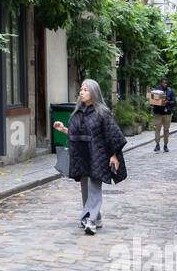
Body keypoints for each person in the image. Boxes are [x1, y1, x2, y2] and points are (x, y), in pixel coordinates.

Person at [53, 79, 125, 236]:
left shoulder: (102, 113)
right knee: (85, 189)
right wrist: (63, 129)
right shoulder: (78, 112)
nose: (81, 92)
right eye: (81, 89)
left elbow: (112, 135)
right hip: (82, 154)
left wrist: (114, 155)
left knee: (94, 187)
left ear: (93, 93)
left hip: (98, 155)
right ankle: (95, 217)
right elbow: (76, 133)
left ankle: (90, 219)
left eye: (85, 90)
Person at [150, 78, 176, 153]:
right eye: (164, 83)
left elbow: (174, 102)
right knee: (157, 129)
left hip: (167, 113)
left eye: (166, 83)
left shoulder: (170, 91)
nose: (165, 84)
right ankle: (157, 145)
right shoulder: (156, 90)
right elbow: (152, 100)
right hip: (157, 113)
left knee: (166, 130)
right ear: (161, 83)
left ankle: (165, 145)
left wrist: (168, 102)